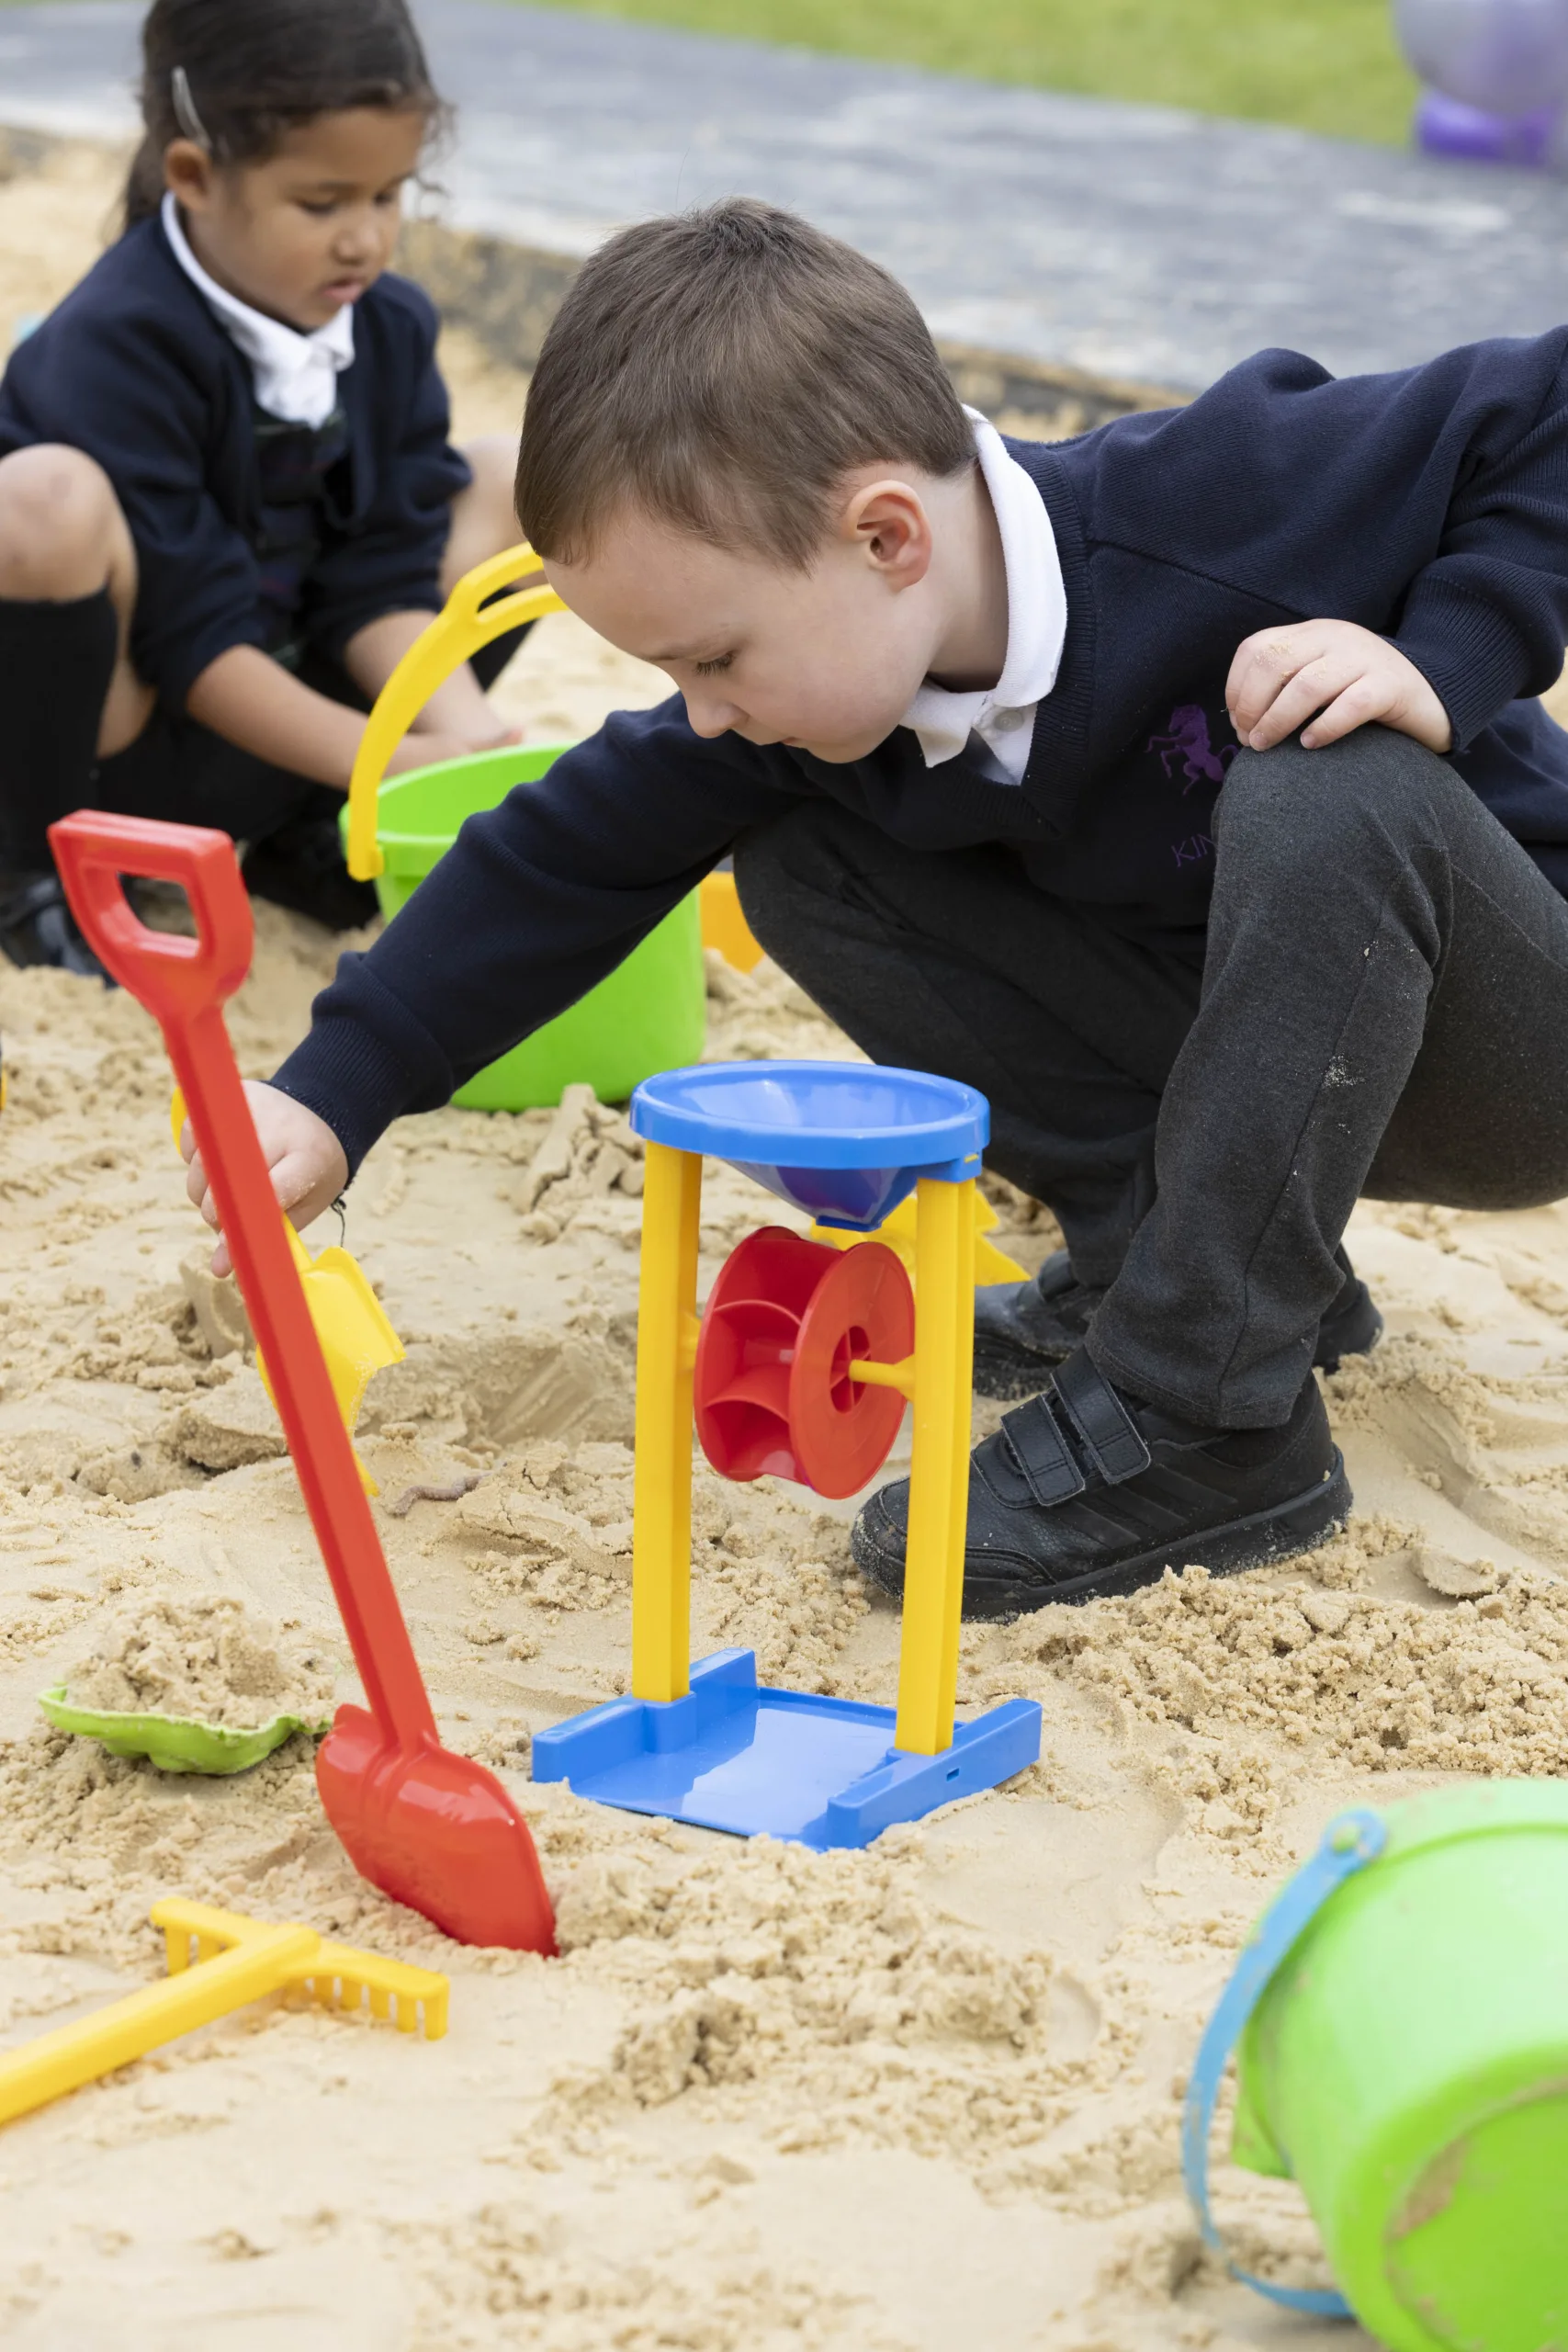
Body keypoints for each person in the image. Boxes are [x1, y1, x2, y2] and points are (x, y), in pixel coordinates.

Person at [186, 199, 1568, 1619]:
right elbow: (567, 848)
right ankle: (1166, 1264)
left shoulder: (1220, 496)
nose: (705, 713)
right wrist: (332, 1092)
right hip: (1264, 1059)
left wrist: (1441, 658)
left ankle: (1205, 1411)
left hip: (1511, 1034)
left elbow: (1541, 409)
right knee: (800, 854)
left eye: (715, 657)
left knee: (1319, 790)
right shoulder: (799, 704)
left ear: (886, 535)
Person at [0, 0, 527, 978]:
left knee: (513, 479)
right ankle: (31, 873)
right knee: (39, 501)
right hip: (129, 746)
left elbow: (382, 578)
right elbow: (193, 640)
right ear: (194, 177)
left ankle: (315, 841)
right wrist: (390, 761)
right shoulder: (119, 342)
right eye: (323, 205)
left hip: (297, 734)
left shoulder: (390, 327)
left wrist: (473, 742)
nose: (364, 241)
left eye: (388, 196)